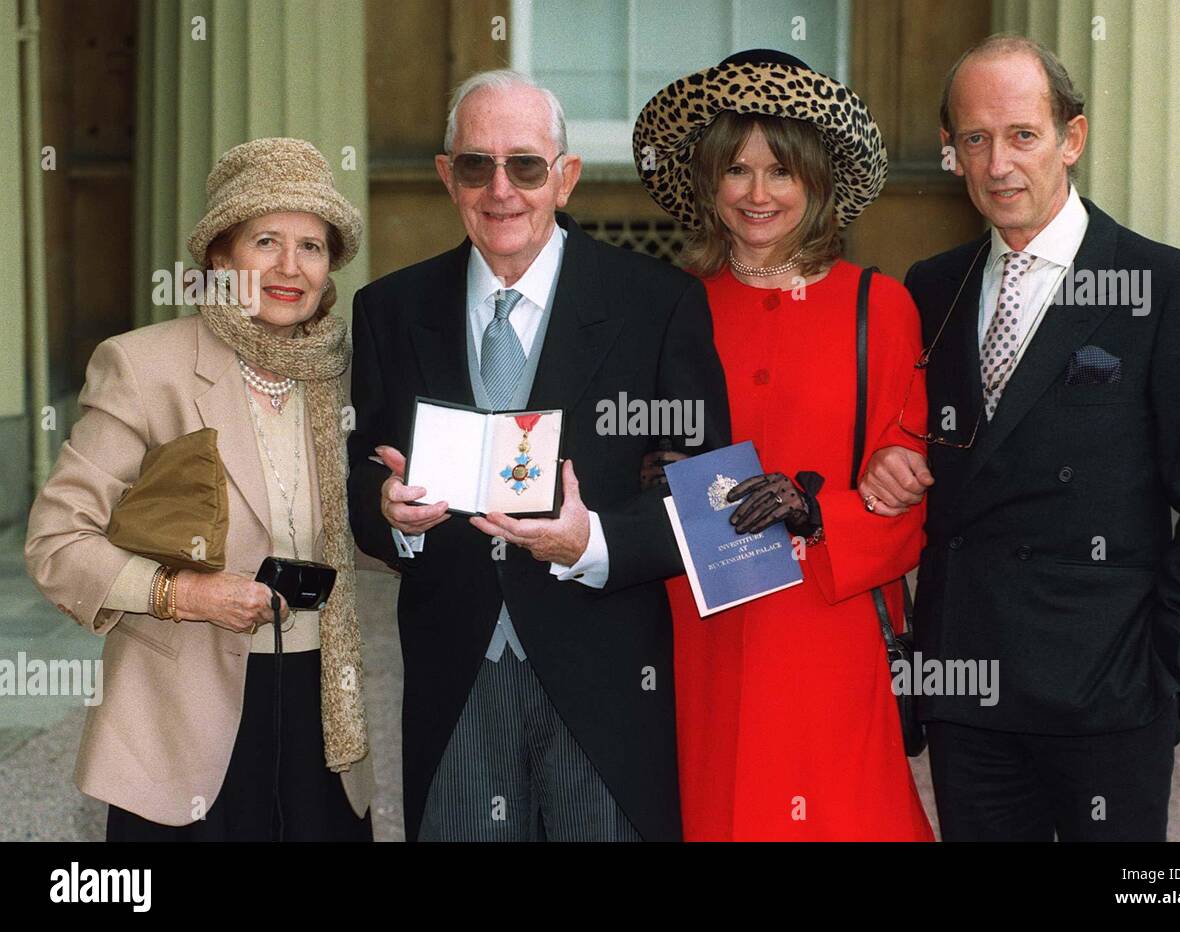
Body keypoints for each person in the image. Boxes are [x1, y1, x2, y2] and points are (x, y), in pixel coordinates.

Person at [872, 34, 1180, 841]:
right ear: (951, 152)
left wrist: (1162, 666)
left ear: (1071, 139)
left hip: (1107, 694)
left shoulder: (1171, 290)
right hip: (965, 688)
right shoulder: (930, 289)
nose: (998, 164)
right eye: (974, 140)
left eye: (1022, 135)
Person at [346, 70, 730, 842]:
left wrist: (593, 542)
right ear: (446, 177)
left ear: (565, 177)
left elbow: (714, 500)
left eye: (525, 165)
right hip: (456, 678)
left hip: (605, 678)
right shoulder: (388, 308)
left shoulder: (658, 305)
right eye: (475, 165)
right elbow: (361, 480)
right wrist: (392, 515)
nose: (501, 189)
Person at [25, 137, 374, 841]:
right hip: (183, 720)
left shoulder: (344, 374)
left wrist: (403, 518)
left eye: (310, 246)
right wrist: (184, 594)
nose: (288, 266)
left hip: (322, 716)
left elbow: (366, 531)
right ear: (220, 256)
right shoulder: (144, 365)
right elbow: (57, 543)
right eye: (265, 240)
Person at [633, 49, 936, 841]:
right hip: (704, 630)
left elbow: (908, 498)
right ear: (708, 183)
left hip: (830, 629)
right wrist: (645, 469)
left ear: (818, 182)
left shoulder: (881, 306)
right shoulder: (671, 307)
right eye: (737, 170)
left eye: (781, 171)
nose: (758, 194)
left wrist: (815, 510)